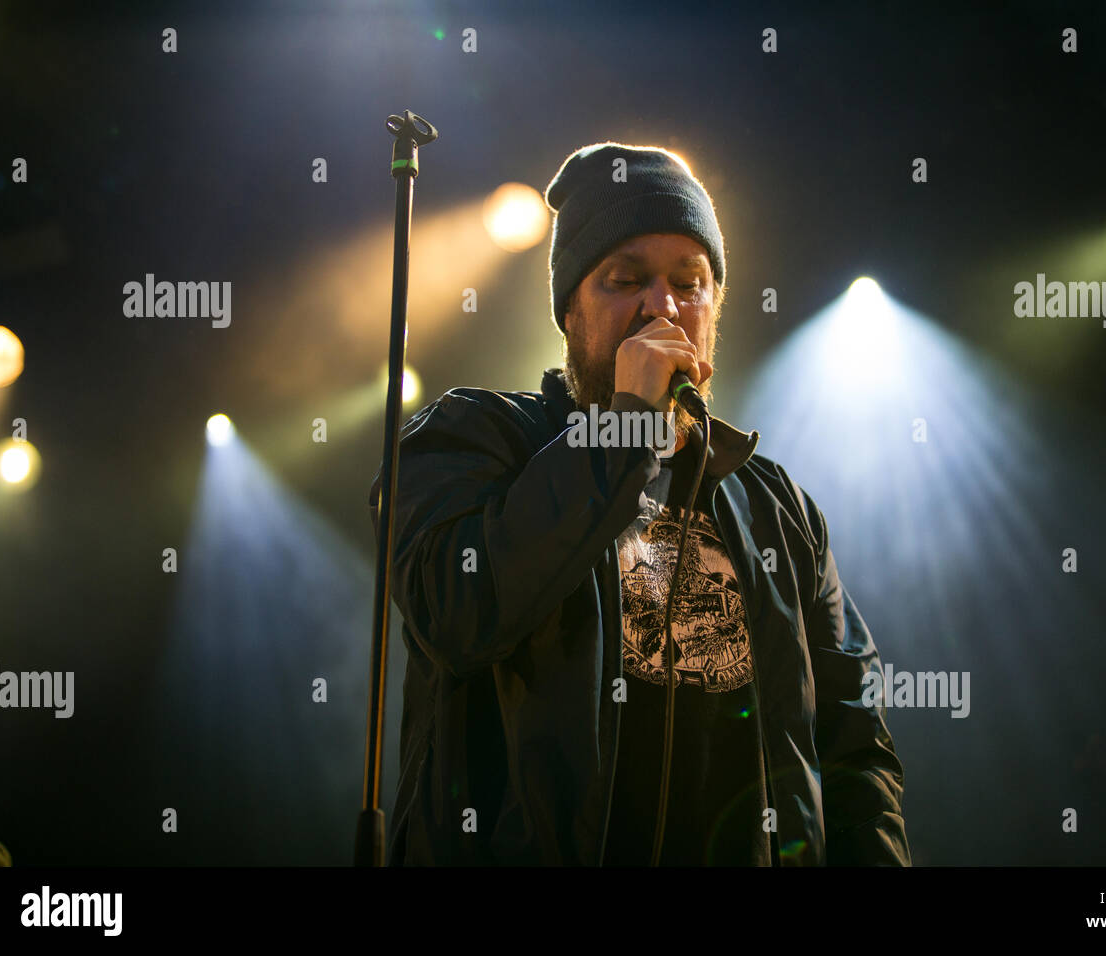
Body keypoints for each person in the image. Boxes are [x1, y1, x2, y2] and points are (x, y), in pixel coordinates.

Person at [369, 142, 910, 866]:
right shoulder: (477, 438)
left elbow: (855, 746)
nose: (664, 305)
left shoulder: (776, 506)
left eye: (691, 282)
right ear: (570, 311)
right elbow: (455, 611)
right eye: (626, 280)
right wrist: (625, 429)